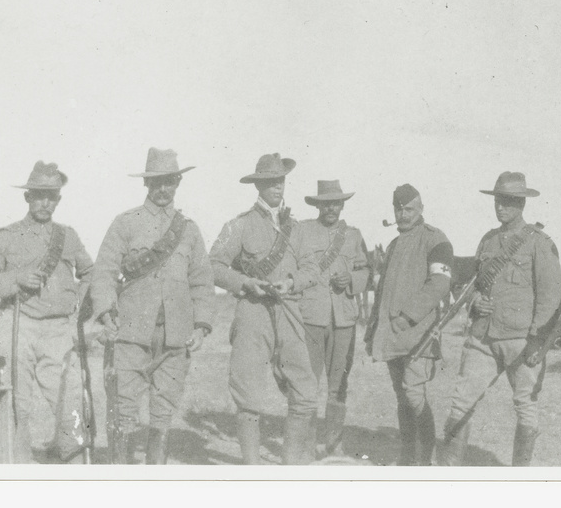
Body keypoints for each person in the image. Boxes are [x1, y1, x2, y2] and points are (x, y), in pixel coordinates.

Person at [90, 148, 216, 465]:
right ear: (147, 184)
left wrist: (201, 325)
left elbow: (201, 279)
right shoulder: (126, 223)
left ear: (177, 183)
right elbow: (103, 271)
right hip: (131, 334)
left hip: (175, 338)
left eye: (169, 182)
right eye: (157, 182)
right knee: (125, 409)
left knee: (163, 413)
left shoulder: (189, 230)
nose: (163, 189)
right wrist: (106, 313)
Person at [0, 161, 93, 463]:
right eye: (38, 195)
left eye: (51, 196)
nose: (45, 202)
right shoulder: (7, 236)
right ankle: (18, 472)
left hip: (58, 332)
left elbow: (90, 273)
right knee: (16, 405)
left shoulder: (69, 236)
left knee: (71, 403)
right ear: (27, 197)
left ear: (59, 199)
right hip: (18, 326)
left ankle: (77, 474)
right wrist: (16, 279)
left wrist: (78, 305)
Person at [439, 172, 561, 467]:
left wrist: (536, 340)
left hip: (521, 341)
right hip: (483, 337)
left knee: (526, 409)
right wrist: (474, 301)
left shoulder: (539, 243)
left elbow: (552, 295)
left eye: (508, 202)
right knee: (460, 402)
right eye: (498, 201)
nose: (501, 207)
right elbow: (473, 285)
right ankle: (448, 474)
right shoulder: (488, 240)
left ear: (521, 203)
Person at [209, 153, 321, 465]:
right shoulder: (240, 225)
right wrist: (245, 283)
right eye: (270, 181)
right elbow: (214, 266)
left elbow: (312, 270)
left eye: (280, 180)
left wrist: (291, 281)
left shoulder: (296, 229)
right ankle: (253, 473)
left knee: (306, 391)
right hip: (253, 312)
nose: (277, 186)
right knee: (248, 396)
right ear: (258, 185)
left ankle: (289, 467)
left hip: (288, 311)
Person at [365, 184, 453, 466]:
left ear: (421, 209)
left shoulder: (436, 240)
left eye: (409, 209)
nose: (403, 214)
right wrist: (373, 331)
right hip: (391, 335)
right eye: (398, 209)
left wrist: (409, 316)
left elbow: (440, 284)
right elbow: (381, 295)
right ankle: (407, 459)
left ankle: (425, 461)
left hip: (418, 335)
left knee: (415, 396)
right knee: (402, 397)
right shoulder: (393, 245)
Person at [295, 180, 371, 457]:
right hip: (312, 318)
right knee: (308, 383)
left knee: (338, 385)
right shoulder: (302, 231)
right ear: (318, 205)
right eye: (326, 203)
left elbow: (366, 274)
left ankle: (333, 442)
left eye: (336, 203)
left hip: (343, 321)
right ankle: (307, 442)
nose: (331, 208)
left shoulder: (353, 235)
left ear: (342, 205)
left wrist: (350, 278)